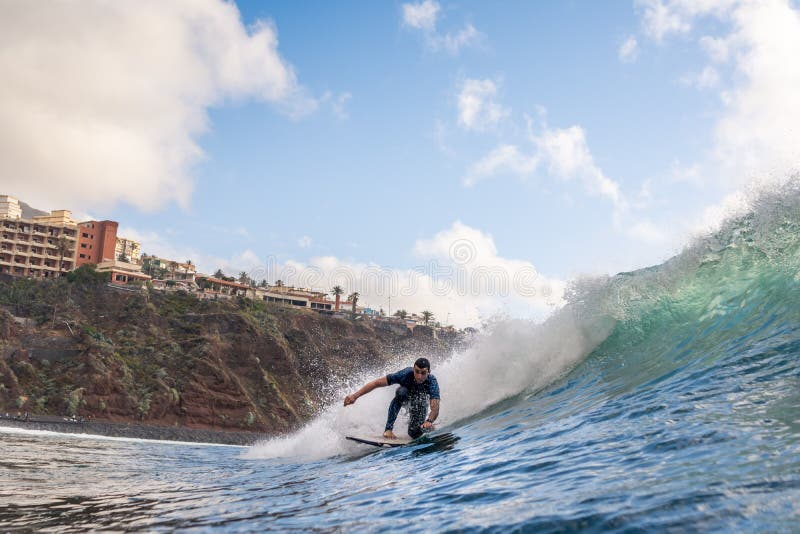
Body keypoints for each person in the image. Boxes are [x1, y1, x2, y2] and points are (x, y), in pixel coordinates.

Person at [344, 357, 440, 439]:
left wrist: (429, 421)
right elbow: (376, 383)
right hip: (406, 399)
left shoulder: (432, 382)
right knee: (401, 392)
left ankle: (430, 427)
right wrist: (355, 396)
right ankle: (388, 430)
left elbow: (435, 408)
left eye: (423, 373)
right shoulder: (405, 374)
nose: (419, 376)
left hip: (420, 404)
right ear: (413, 369)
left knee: (414, 434)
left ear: (428, 372)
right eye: (417, 371)